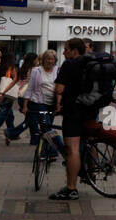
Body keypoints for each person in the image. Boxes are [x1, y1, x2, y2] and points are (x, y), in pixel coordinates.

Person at [50, 38, 96, 201]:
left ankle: (71, 189)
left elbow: (59, 89)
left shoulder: (69, 65)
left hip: (74, 111)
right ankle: (91, 173)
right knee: (90, 140)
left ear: (75, 50)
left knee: (73, 149)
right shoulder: (92, 62)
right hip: (91, 109)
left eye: (66, 49)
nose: (64, 52)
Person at [0, 50, 25, 145]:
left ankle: (10, 133)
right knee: (2, 116)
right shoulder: (12, 69)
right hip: (6, 95)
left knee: (8, 114)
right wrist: (3, 93)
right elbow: (13, 82)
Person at [22, 50, 59, 145]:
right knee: (47, 128)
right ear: (43, 60)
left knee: (46, 128)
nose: (49, 61)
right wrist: (25, 106)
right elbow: (30, 88)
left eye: (52, 59)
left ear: (55, 60)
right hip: (38, 102)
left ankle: (44, 151)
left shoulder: (57, 70)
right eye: (47, 58)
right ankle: (54, 150)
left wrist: (58, 104)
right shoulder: (36, 71)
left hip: (52, 103)